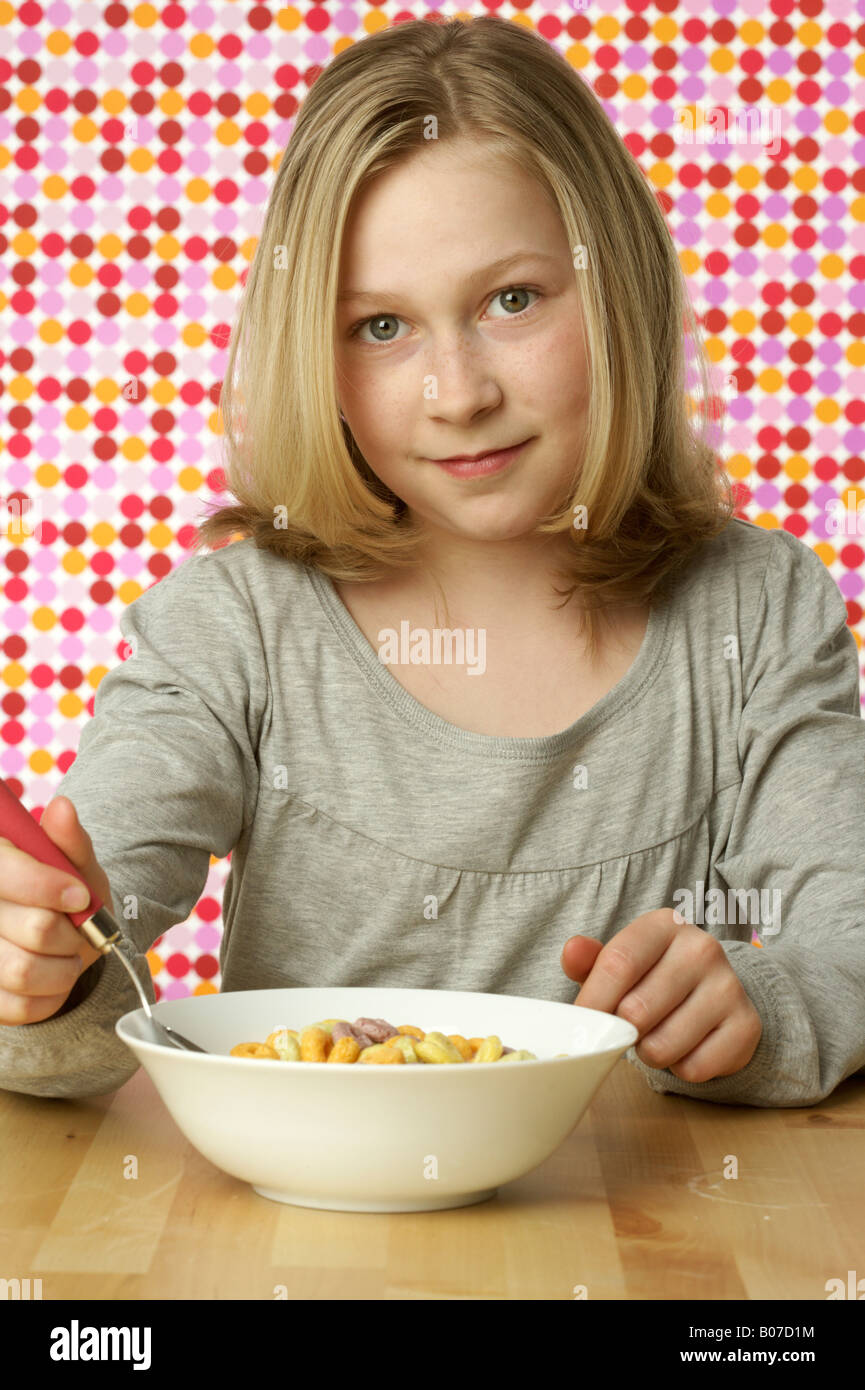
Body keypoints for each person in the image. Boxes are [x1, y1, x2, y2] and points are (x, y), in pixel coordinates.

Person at [1, 17, 862, 1106]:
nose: (457, 393)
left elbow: (840, 930)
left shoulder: (758, 611)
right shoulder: (236, 628)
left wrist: (763, 999)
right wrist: (41, 971)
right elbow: (87, 956)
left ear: (618, 284)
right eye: (380, 327)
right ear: (314, 347)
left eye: (512, 300)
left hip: (649, 1248)